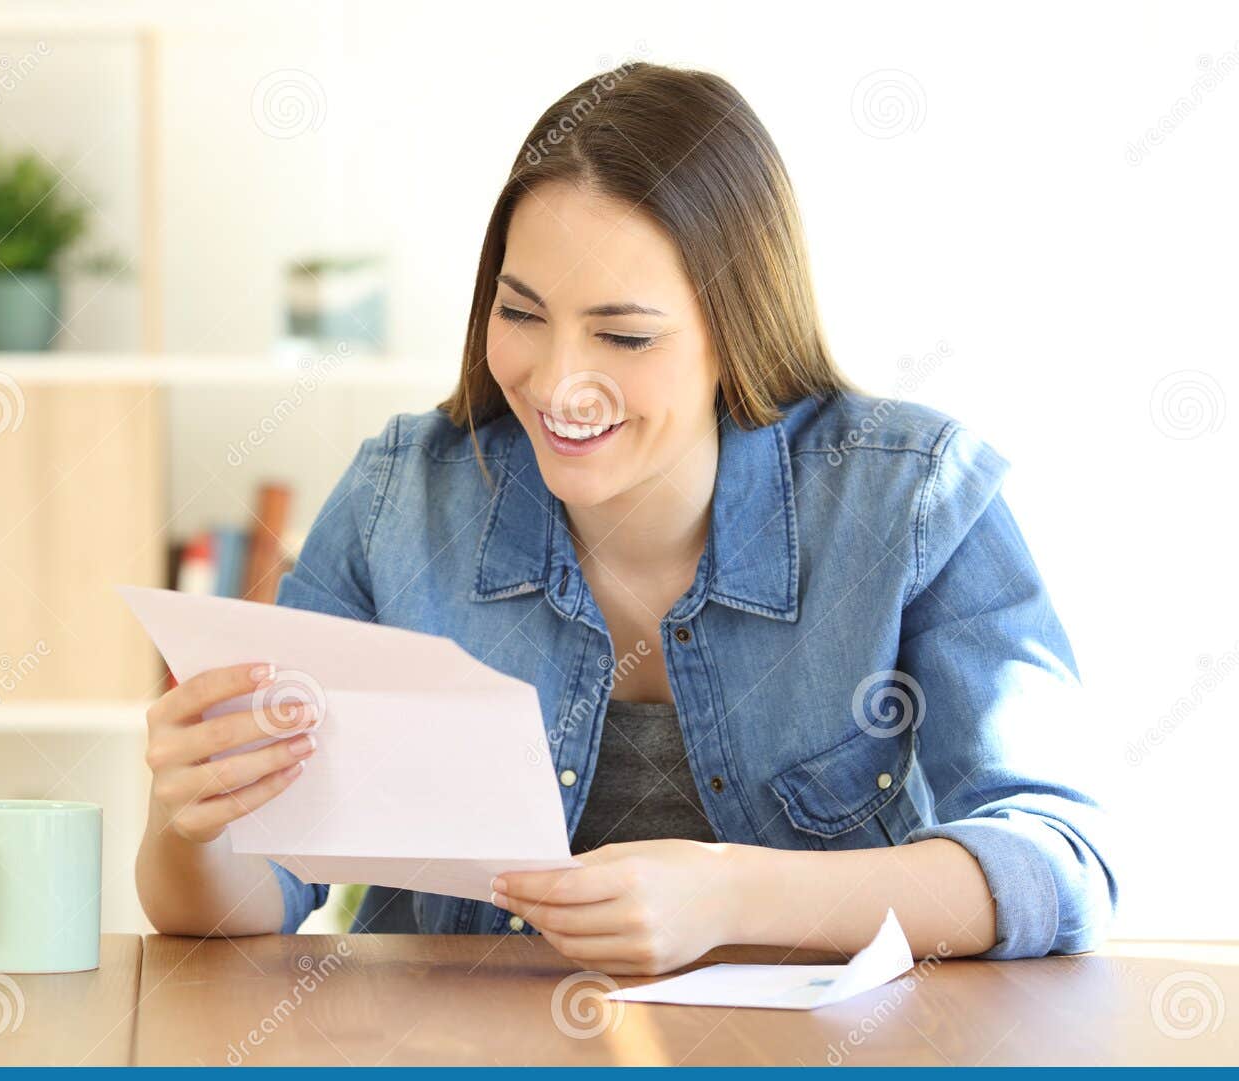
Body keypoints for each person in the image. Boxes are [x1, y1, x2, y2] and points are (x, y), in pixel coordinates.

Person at [136, 62, 1116, 975]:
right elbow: (249, 896)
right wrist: (193, 820)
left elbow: (1059, 859)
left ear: (738, 330)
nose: (558, 383)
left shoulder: (912, 497)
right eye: (522, 314)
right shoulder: (401, 500)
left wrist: (731, 893)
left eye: (624, 334)